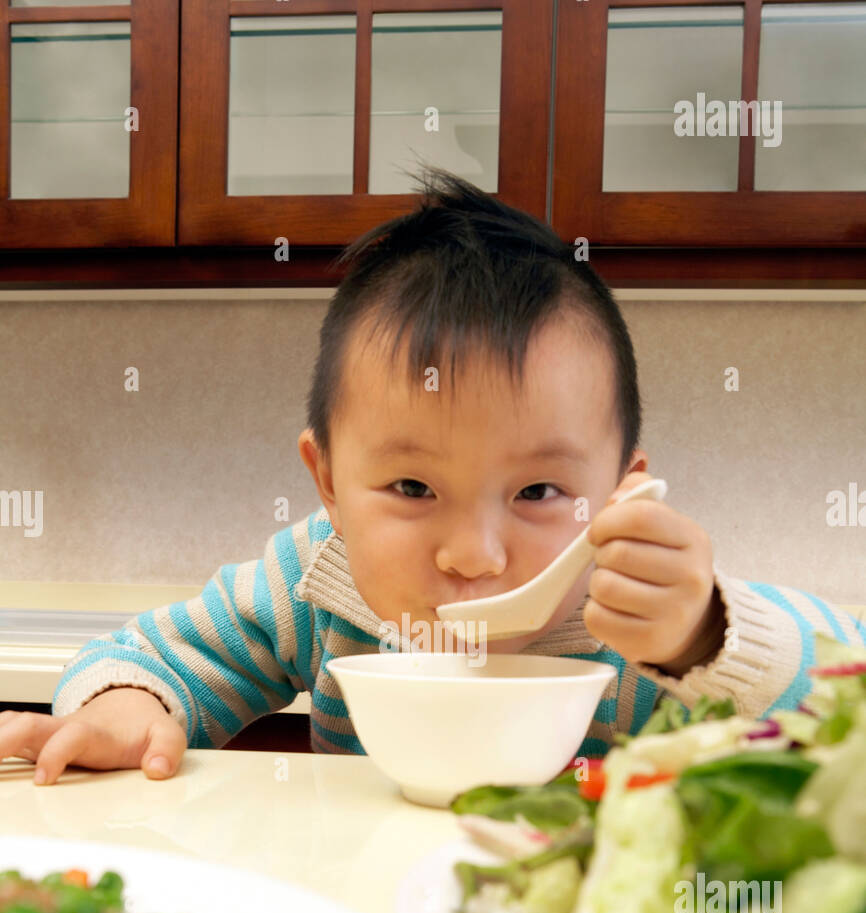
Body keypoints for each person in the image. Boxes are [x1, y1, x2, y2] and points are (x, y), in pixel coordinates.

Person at [6, 168, 864, 785]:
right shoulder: (316, 582)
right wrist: (129, 704)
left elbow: (847, 699)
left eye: (539, 493)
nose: (475, 555)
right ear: (331, 485)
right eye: (413, 490)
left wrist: (706, 635)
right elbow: (156, 654)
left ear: (619, 501)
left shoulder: (638, 618)